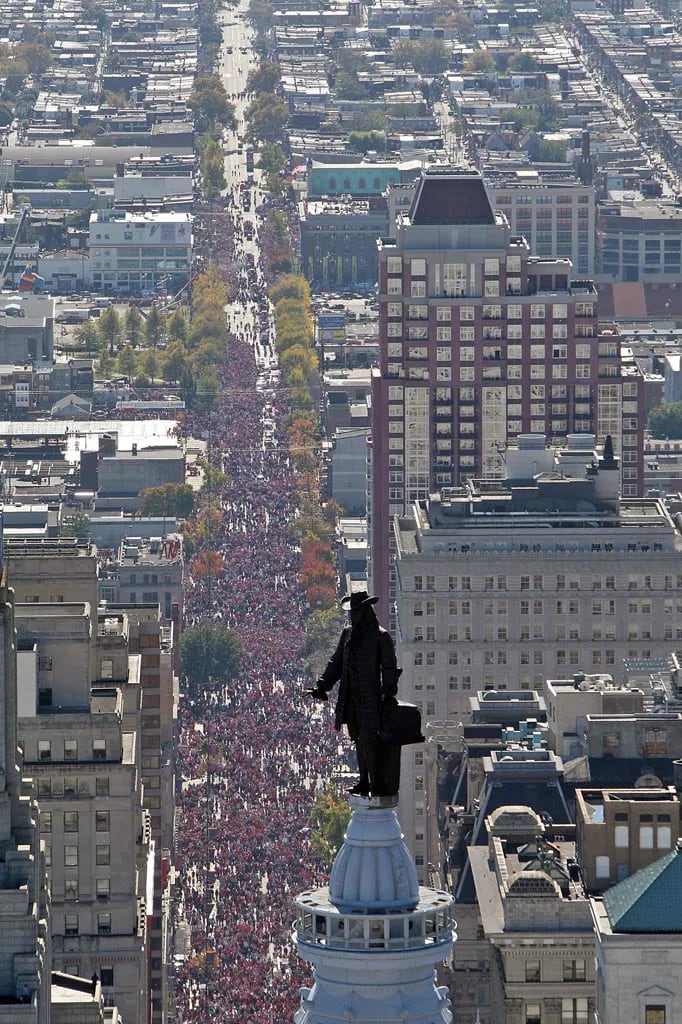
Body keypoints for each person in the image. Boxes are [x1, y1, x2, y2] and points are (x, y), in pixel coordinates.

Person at [307, 591, 401, 797]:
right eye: (352, 612)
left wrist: (389, 690)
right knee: (358, 739)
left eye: (356, 612)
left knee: (369, 740)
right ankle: (364, 781)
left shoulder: (380, 636)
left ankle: (376, 783)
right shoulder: (348, 633)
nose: (353, 616)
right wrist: (322, 685)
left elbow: (389, 667)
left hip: (371, 698)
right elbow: (336, 662)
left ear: (366, 611)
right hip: (350, 697)